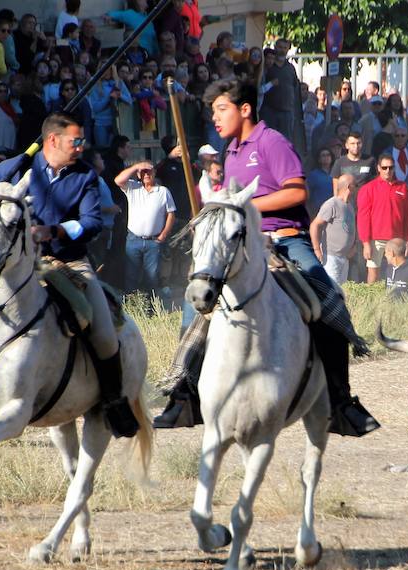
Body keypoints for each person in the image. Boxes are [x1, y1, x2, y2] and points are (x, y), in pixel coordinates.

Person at [153, 77, 380, 437]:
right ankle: (185, 396)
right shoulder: (230, 152)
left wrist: (245, 206)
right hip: (243, 243)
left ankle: (340, 401)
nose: (215, 117)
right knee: (196, 296)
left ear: (244, 109)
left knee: (328, 299)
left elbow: (297, 192)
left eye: (221, 109)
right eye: (213, 111)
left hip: (286, 240)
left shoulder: (272, 142)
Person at [0, 111, 140, 438]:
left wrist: (54, 231)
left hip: (69, 263)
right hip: (18, 263)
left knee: (102, 331)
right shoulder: (17, 166)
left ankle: (114, 402)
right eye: (76, 141)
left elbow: (92, 222)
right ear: (53, 140)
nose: (82, 147)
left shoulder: (85, 176)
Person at [117, 160, 176, 300]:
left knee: (152, 277)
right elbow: (118, 180)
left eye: (149, 171)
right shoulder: (133, 187)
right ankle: (132, 306)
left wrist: (164, 234)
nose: (147, 174)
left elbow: (171, 214)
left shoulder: (163, 191)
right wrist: (136, 166)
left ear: (154, 172)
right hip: (134, 239)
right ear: (138, 175)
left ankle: (152, 307)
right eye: (143, 172)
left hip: (153, 241)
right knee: (131, 276)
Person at [355, 154, 408, 284]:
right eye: (384, 167)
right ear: (378, 168)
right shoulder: (368, 188)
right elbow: (363, 218)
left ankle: (395, 296)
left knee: (398, 273)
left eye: (390, 168)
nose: (387, 171)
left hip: (397, 239)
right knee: (373, 274)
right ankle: (372, 297)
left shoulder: (403, 187)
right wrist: (366, 243)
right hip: (375, 239)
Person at [309, 173, 357, 285]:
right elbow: (315, 225)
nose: (357, 188)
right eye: (356, 185)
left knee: (341, 290)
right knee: (332, 289)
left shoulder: (350, 206)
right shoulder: (332, 204)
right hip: (331, 257)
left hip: (344, 257)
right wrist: (317, 249)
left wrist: (353, 246)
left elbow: (352, 228)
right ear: (349, 187)